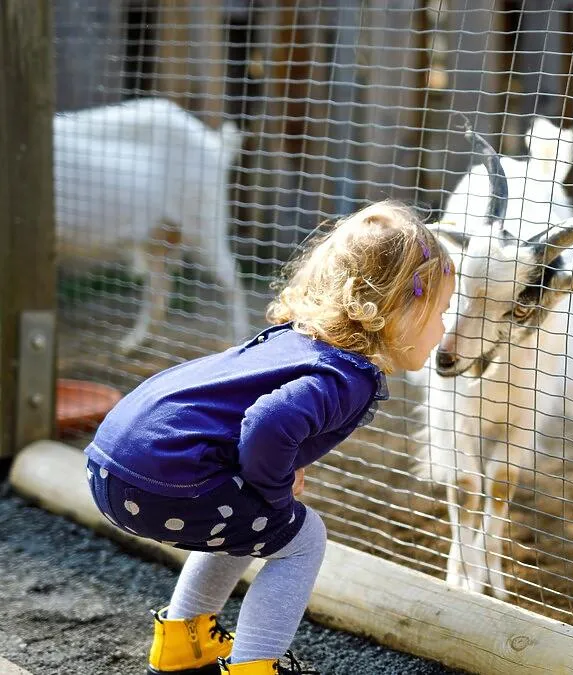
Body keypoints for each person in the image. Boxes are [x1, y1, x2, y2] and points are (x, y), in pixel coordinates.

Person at [83, 200, 456, 675]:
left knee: (247, 521)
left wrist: (274, 474)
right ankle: (256, 666)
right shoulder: (346, 376)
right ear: (400, 308)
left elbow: (247, 420)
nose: (445, 329)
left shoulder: (291, 341)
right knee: (301, 537)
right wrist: (275, 490)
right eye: (442, 311)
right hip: (170, 484)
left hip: (111, 466)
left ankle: (184, 642)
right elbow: (269, 424)